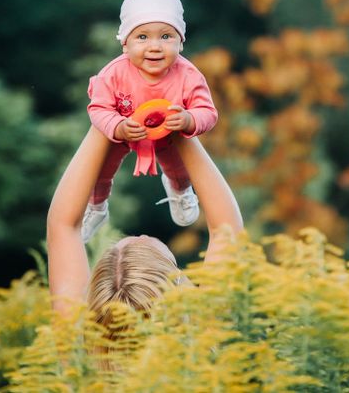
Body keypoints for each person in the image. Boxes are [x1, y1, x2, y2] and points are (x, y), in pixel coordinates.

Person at [46, 127, 243, 320]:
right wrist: (178, 129)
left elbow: (63, 224)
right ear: (177, 286)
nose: (142, 235)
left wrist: (105, 121)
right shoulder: (210, 327)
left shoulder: (207, 326)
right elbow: (225, 226)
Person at [81, 0, 218, 242]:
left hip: (168, 134)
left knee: (180, 168)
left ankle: (180, 190)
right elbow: (98, 108)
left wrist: (189, 119)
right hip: (123, 129)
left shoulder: (188, 75)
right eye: (142, 37)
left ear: (181, 42)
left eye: (166, 36)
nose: (154, 46)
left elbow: (208, 111)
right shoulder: (113, 73)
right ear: (125, 43)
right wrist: (117, 126)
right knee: (99, 171)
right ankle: (96, 208)